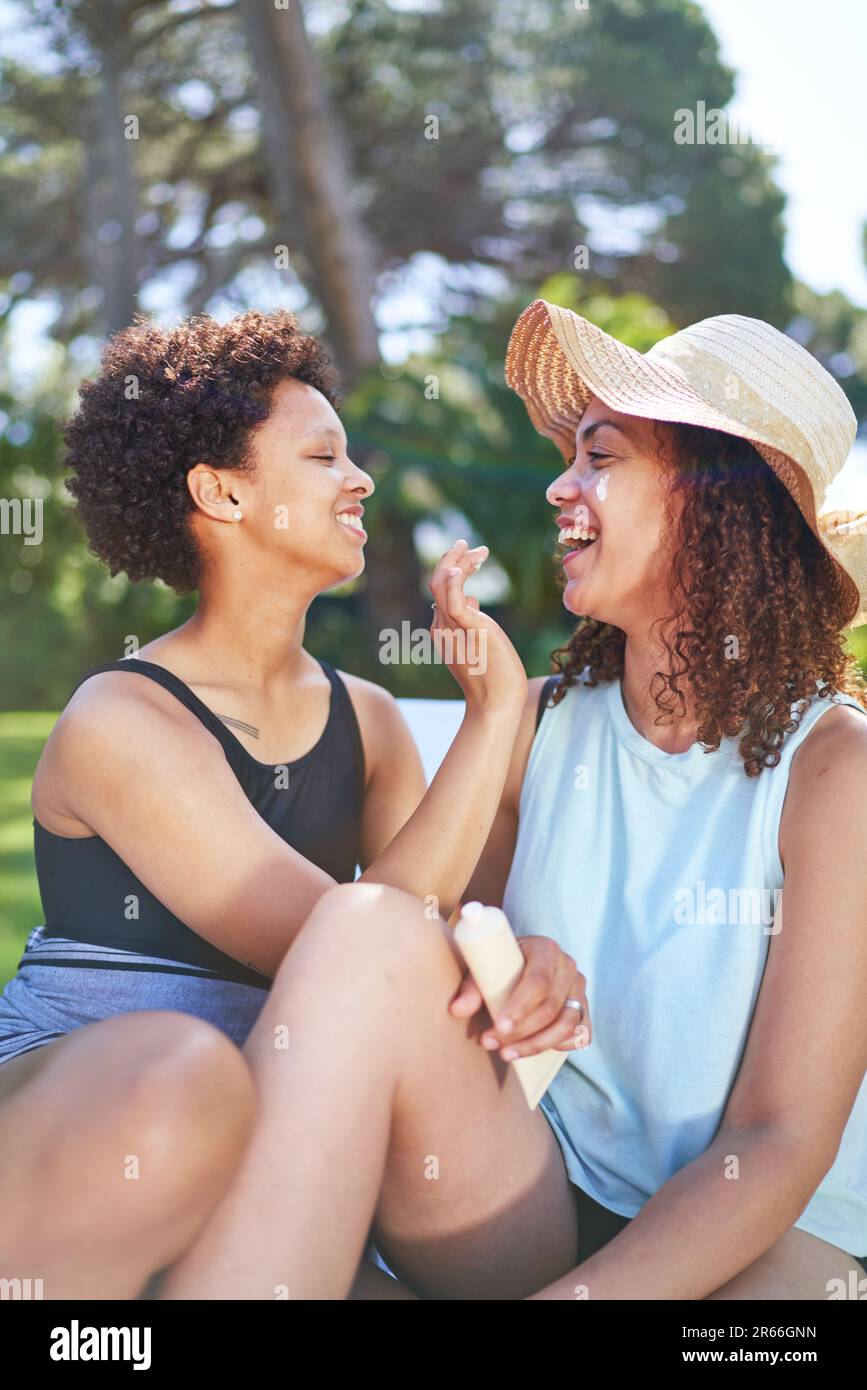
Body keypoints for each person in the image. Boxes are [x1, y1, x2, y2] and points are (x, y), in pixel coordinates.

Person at [159, 301, 867, 1300]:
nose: (560, 486)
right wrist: (505, 955)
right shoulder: (536, 723)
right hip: (535, 1188)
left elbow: (778, 1139)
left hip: (760, 1229)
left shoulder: (835, 769)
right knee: (368, 920)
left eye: (602, 458)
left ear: (721, 501)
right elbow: (406, 960)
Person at [0, 307, 584, 1300]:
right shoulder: (122, 719)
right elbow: (342, 942)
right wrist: (488, 719)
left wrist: (529, 960)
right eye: (324, 457)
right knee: (188, 1070)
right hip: (106, 1105)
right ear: (223, 492)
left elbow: (426, 971)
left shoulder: (372, 721)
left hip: (291, 1139)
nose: (360, 480)